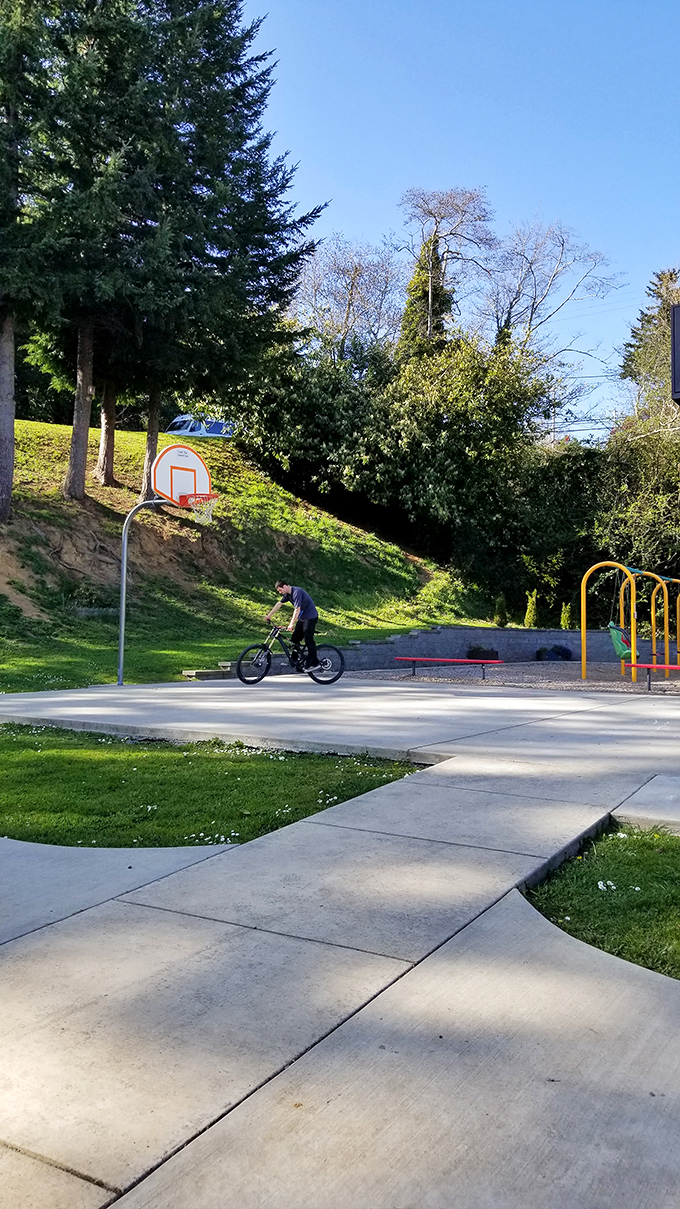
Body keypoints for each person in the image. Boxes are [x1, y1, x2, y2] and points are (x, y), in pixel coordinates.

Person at [265, 580, 321, 672]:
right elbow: (279, 604)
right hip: (303, 618)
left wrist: (291, 624)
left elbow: (297, 609)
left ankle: (314, 663)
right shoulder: (288, 595)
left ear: (285, 586)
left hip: (311, 617)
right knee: (295, 638)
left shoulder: (297, 592)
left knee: (308, 638)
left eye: (280, 590)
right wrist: (269, 615)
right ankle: (294, 660)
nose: (280, 592)